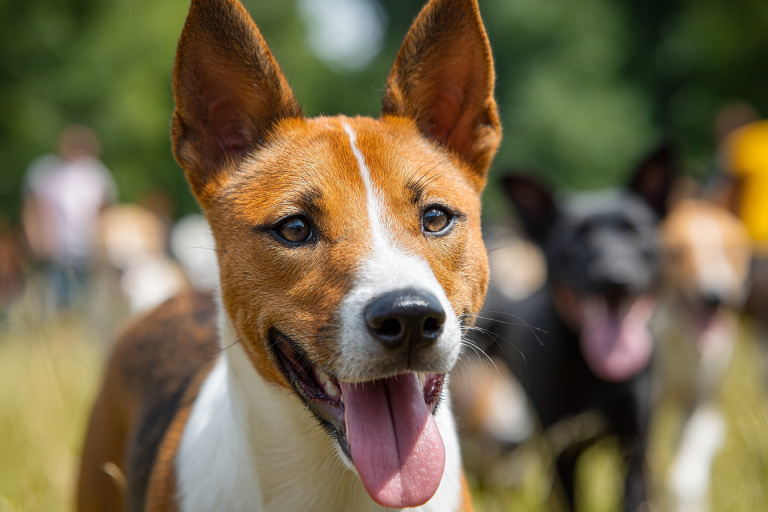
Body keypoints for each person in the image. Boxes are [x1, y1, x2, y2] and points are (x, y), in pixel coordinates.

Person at [21, 124, 117, 310]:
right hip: (55, 249)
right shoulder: (47, 171)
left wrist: (103, 244)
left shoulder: (98, 175)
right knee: (55, 298)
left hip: (87, 250)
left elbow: (106, 213)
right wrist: (35, 239)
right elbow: (32, 208)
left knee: (84, 299)